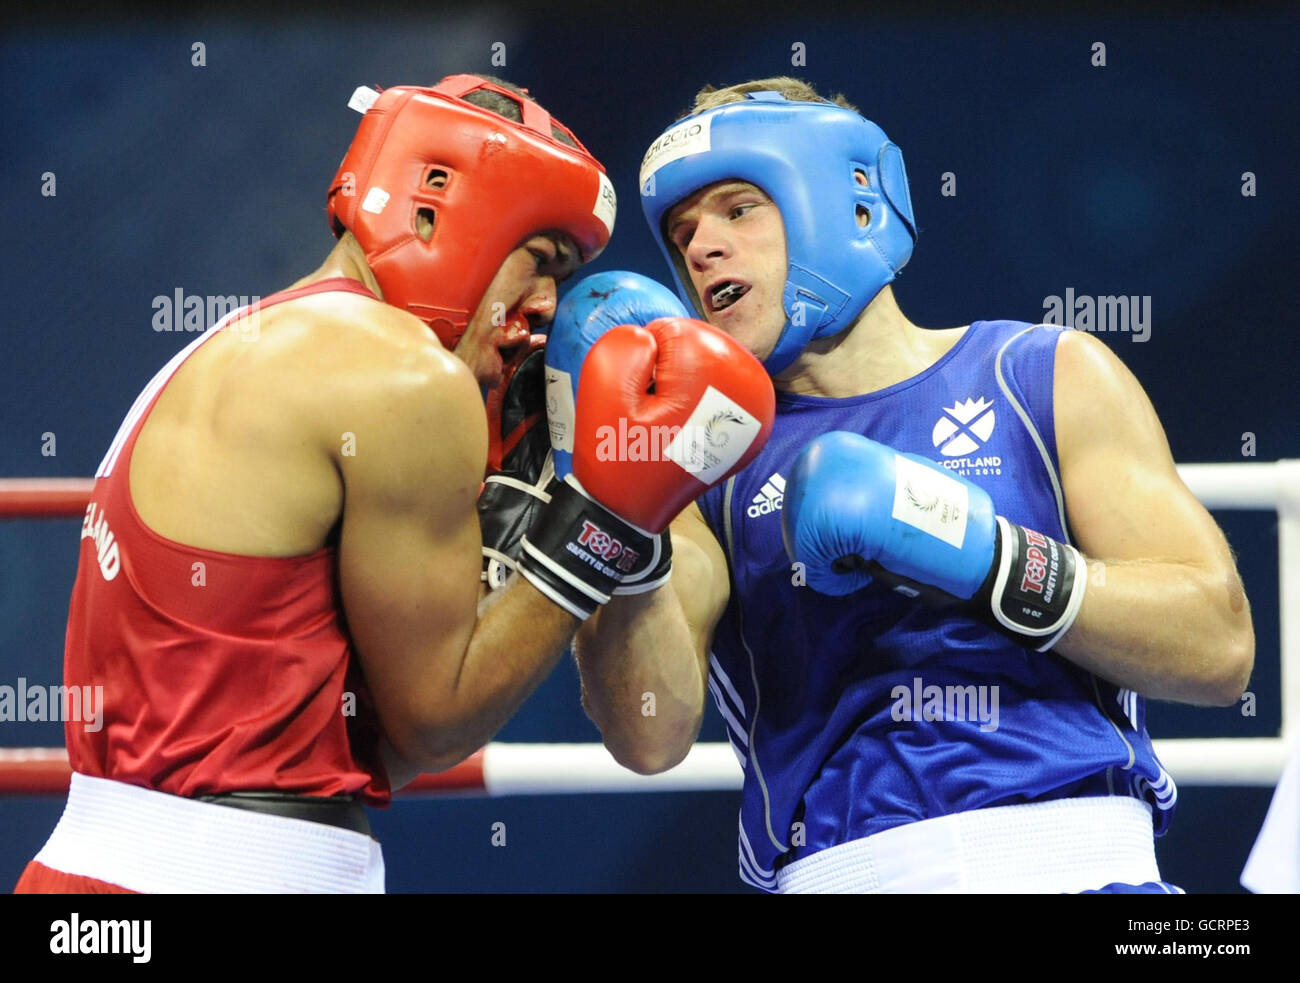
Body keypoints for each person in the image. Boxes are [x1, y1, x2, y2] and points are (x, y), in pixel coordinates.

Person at [14, 74, 774, 894]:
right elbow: (439, 720)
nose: (548, 305)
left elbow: (378, 746)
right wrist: (598, 520)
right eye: (540, 258)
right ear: (436, 210)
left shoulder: (230, 345)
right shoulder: (402, 376)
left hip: (104, 872)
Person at [562, 78, 1256, 893]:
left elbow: (1218, 649)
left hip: (1085, 863)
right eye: (682, 232)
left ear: (849, 204)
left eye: (738, 208)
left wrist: (983, 557)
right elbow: (648, 735)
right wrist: (617, 505)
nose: (702, 247)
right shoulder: (709, 459)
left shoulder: (1042, 374)